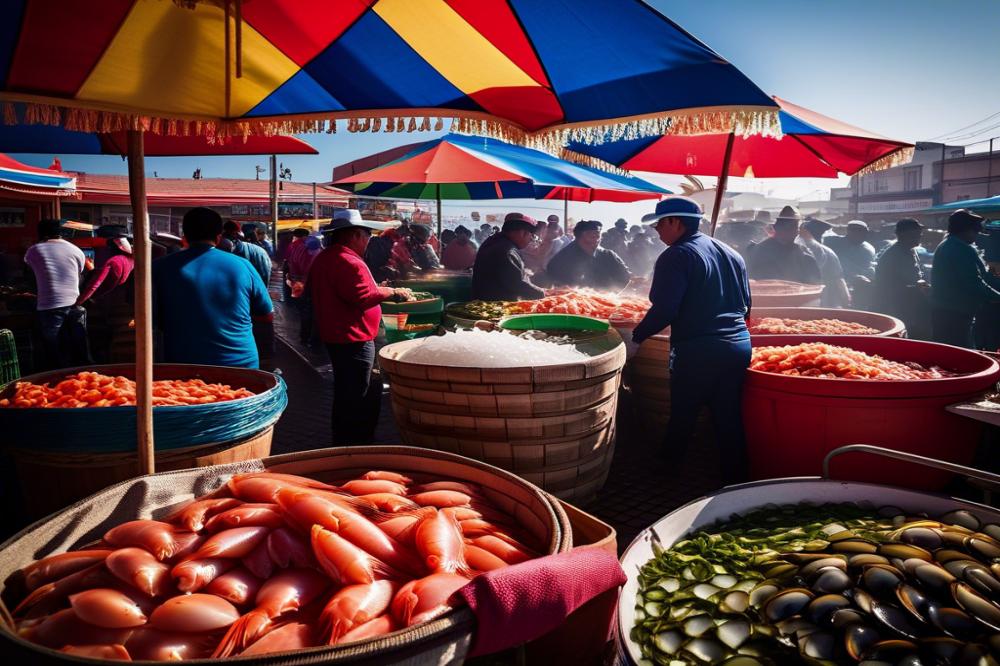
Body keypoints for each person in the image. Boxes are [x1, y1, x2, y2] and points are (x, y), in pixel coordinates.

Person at [631, 197, 752, 485]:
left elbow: (666, 309)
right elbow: (747, 305)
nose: (657, 231)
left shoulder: (677, 255)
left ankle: (666, 473)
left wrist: (636, 338)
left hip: (698, 348)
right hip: (738, 345)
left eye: (660, 223)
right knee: (727, 413)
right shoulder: (731, 253)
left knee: (684, 410)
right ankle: (735, 479)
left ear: (676, 222)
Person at [308, 210, 414, 444]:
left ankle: (345, 438)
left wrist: (379, 288)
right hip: (353, 338)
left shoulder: (327, 257)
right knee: (358, 392)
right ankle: (355, 442)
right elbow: (362, 296)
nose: (368, 240)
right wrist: (391, 292)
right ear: (355, 235)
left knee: (348, 390)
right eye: (367, 235)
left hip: (336, 335)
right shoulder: (349, 261)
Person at [153, 208, 273, 368]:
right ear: (218, 238)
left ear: (185, 237)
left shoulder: (158, 268)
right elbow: (267, 316)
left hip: (182, 369)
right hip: (242, 366)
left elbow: (147, 317)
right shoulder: (243, 266)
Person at [23, 218, 91, 369]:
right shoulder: (76, 250)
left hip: (49, 305)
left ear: (41, 233)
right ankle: (85, 376)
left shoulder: (34, 250)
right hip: (75, 304)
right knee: (79, 348)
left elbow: (30, 274)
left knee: (53, 349)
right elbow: (79, 275)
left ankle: (56, 379)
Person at [930, 209, 1000, 347]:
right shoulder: (958, 248)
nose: (977, 235)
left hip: (951, 310)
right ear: (965, 230)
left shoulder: (952, 244)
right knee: (959, 352)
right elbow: (973, 283)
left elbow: (984, 275)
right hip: (953, 313)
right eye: (976, 231)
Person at [77, 237, 135, 363]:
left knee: (102, 339)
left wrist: (80, 301)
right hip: (124, 307)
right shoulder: (132, 260)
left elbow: (95, 285)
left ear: (113, 248)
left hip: (107, 305)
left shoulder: (113, 261)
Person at [874, 218, 931, 339]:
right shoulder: (893, 255)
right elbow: (887, 287)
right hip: (898, 309)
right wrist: (916, 287)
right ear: (902, 234)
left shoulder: (910, 250)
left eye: (919, 232)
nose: (919, 236)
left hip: (912, 308)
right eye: (915, 233)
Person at [471, 213, 546, 301]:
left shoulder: (495, 241)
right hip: (495, 306)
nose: (531, 240)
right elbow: (516, 284)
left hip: (486, 300)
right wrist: (543, 293)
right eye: (531, 236)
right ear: (523, 233)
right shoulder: (507, 250)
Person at [546, 220, 631, 290]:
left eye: (598, 234)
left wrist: (611, 292)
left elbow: (624, 276)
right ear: (579, 236)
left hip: (606, 301)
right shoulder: (562, 258)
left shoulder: (608, 255)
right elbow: (556, 284)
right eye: (591, 234)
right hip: (574, 302)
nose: (596, 237)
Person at [747, 206, 822, 284]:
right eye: (788, 226)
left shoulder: (804, 255)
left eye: (795, 227)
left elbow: (814, 285)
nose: (794, 231)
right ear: (776, 227)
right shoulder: (758, 251)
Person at [798, 218, 850, 308]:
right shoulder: (828, 253)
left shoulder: (795, 251)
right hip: (827, 303)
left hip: (804, 302)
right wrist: (846, 300)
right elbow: (839, 280)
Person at [284, 228, 320, 345]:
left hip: (296, 284)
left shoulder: (292, 246)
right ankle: (312, 339)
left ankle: (304, 338)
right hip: (310, 283)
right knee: (311, 311)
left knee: (303, 311)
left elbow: (288, 264)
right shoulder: (312, 244)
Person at [835, 220, 878, 284]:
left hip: (864, 285)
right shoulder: (835, 244)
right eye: (857, 231)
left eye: (864, 232)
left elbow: (871, 267)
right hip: (842, 284)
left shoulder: (870, 248)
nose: (861, 235)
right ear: (849, 231)